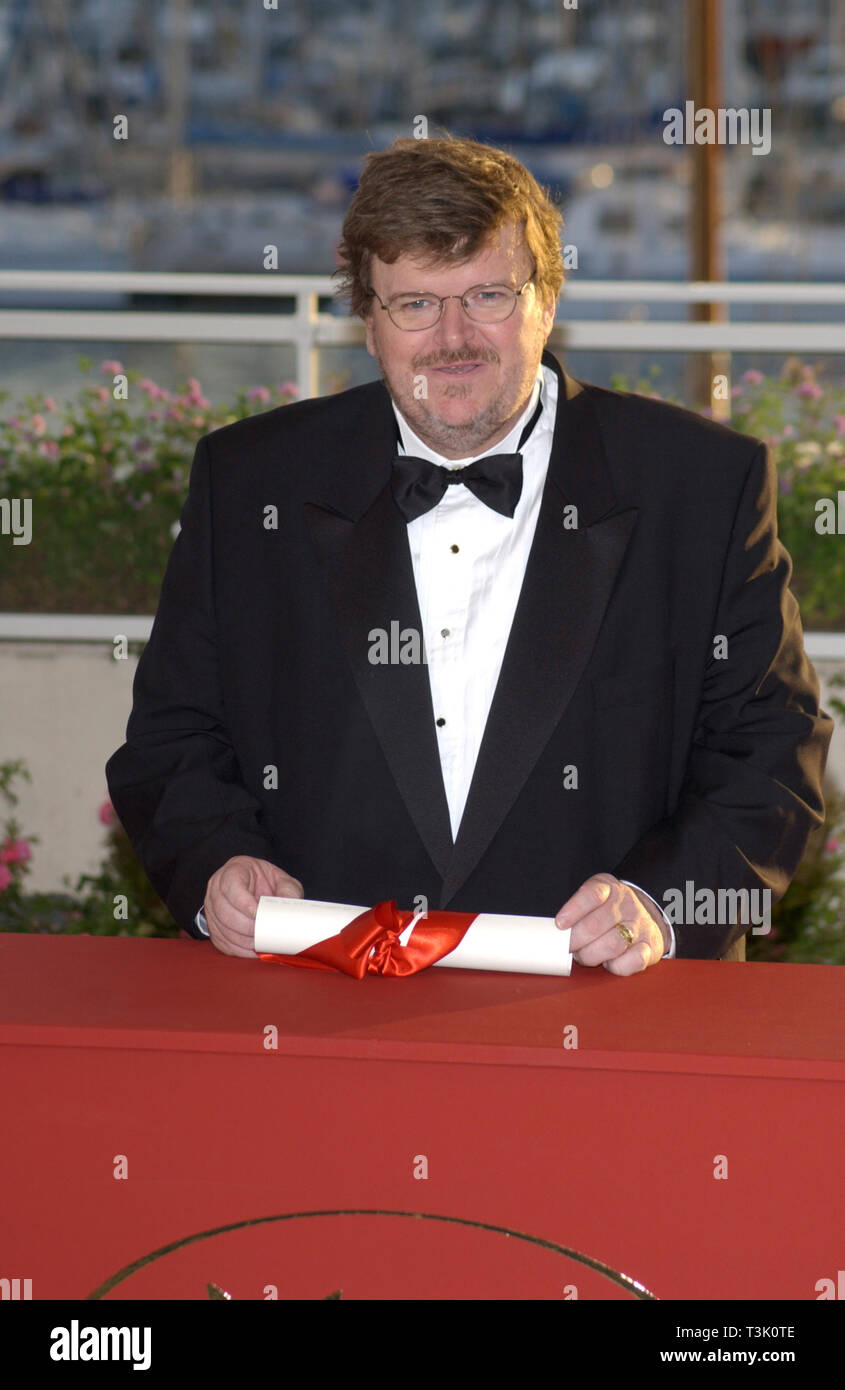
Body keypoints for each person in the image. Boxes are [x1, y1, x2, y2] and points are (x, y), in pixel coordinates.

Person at [105, 135, 832, 973]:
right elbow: (172, 735)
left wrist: (661, 907)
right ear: (367, 320)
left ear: (546, 299)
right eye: (414, 304)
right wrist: (216, 870)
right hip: (324, 1005)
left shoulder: (701, 483)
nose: (452, 339)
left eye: (487, 295)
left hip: (610, 1014)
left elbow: (771, 748)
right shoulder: (248, 478)